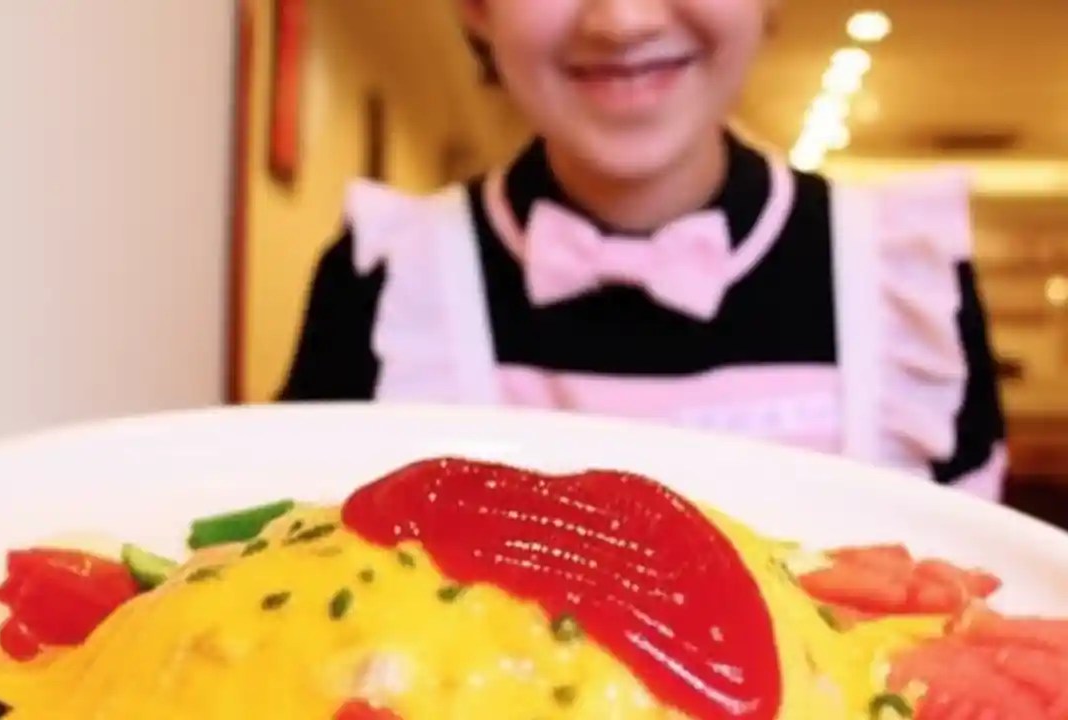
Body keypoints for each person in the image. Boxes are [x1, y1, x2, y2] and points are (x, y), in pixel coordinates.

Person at [279, 0, 1007, 500]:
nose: (622, 19)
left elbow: (972, 635)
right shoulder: (384, 283)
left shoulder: (907, 287)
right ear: (477, 5)